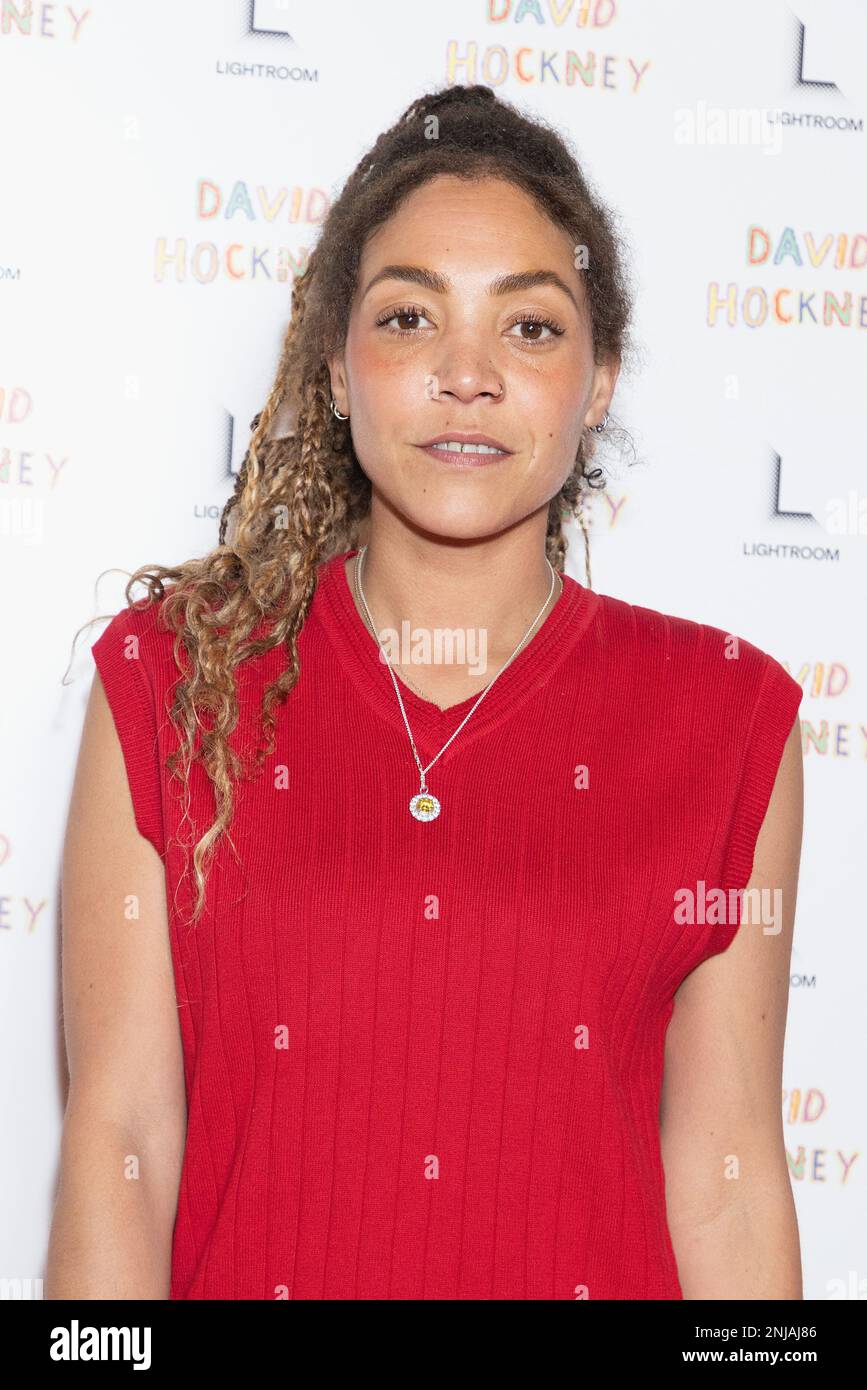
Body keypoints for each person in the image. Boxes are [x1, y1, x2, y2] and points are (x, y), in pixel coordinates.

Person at [47, 85, 804, 1300]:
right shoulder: (170, 682)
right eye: (409, 318)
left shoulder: (727, 718)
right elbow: (119, 1143)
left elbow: (723, 1177)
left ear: (600, 379)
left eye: (531, 328)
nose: (466, 376)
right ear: (338, 370)